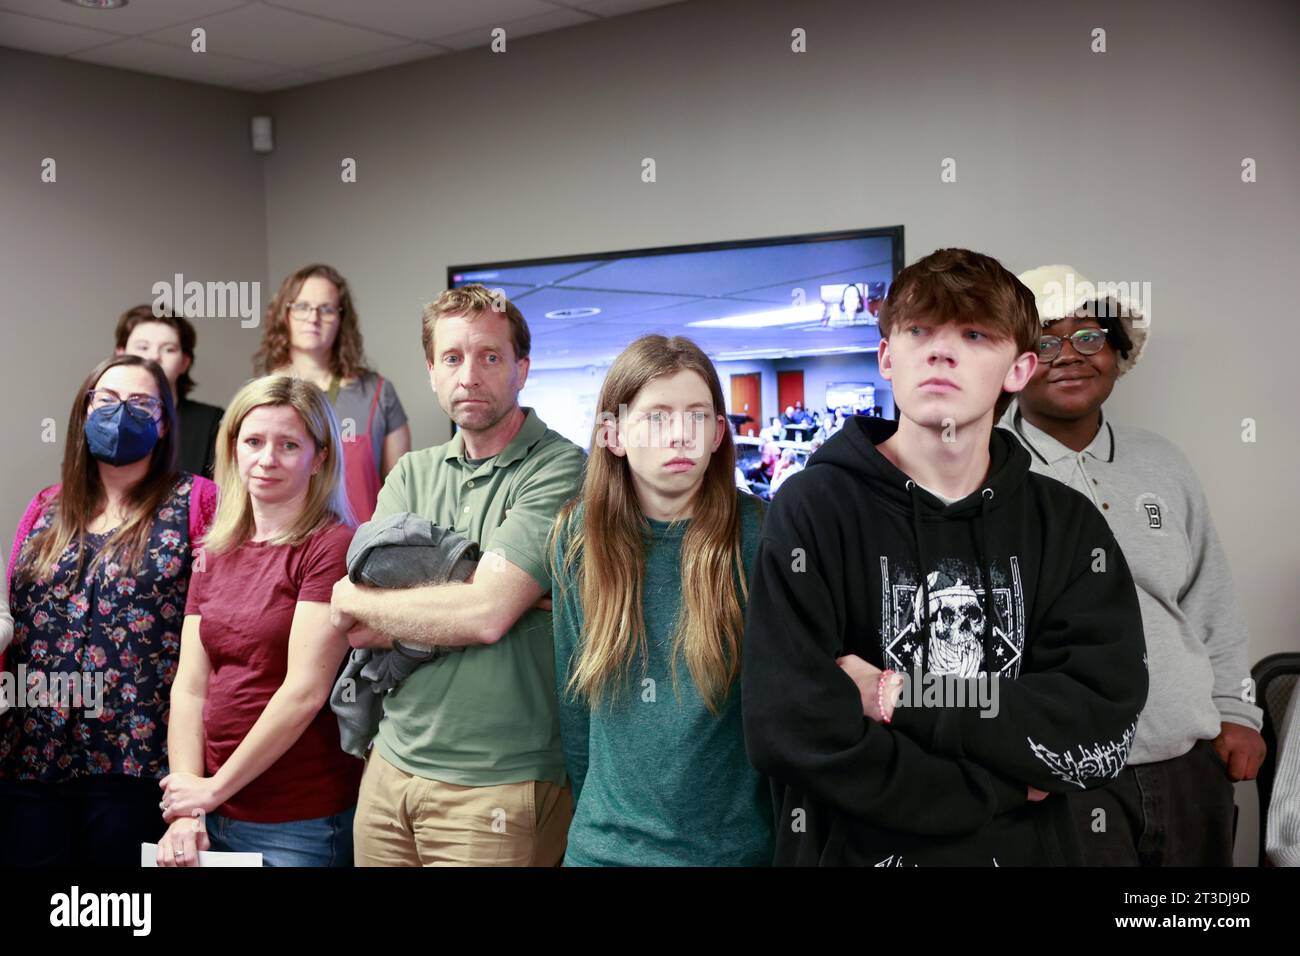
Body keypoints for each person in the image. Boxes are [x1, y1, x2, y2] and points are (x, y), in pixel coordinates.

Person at [742, 248, 1148, 866]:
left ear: (1019, 368)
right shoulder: (813, 508)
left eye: (975, 333)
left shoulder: (1066, 525)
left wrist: (898, 695)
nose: (940, 350)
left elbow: (1096, 725)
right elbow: (789, 727)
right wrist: (999, 785)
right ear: (887, 357)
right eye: (918, 330)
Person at [1002, 264, 1264, 866]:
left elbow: (1210, 599)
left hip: (1186, 759)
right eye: (1043, 342)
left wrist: (1236, 711)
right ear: (1013, 366)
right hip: (1055, 771)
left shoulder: (1162, 462)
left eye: (1088, 337)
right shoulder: (985, 473)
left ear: (1117, 354)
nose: (1067, 356)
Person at [329, 284, 585, 866]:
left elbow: (488, 616)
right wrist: (478, 595)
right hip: (389, 765)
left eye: (490, 357)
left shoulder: (561, 468)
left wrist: (377, 600)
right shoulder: (410, 474)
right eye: (452, 357)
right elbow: (356, 627)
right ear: (431, 372)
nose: (469, 374)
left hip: (500, 784)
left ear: (523, 368)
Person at [551, 335, 773, 866]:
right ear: (614, 434)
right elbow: (574, 707)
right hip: (603, 850)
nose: (680, 435)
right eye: (656, 417)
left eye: (698, 416)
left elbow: (782, 711)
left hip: (730, 852)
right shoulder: (577, 537)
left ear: (720, 433)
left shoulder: (762, 535)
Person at [0, 355, 216, 866]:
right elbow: (10, 616)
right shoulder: (45, 507)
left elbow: (221, 625)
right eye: (108, 400)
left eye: (142, 403)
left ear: (164, 421)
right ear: (84, 412)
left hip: (135, 760)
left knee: (117, 914)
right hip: (30, 754)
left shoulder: (197, 501)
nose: (123, 413)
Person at [156, 375, 361, 867]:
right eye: (253, 441)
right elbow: (189, 687)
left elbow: (304, 692)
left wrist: (210, 790)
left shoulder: (331, 547)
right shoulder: (214, 549)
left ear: (321, 459)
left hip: (297, 822)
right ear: (233, 449)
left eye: (289, 444)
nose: (267, 458)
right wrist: (188, 810)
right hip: (210, 812)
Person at [255, 264, 411, 523]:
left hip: (363, 554)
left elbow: (403, 496)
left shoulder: (378, 392)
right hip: (288, 554)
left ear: (341, 319)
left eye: (326, 309)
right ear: (285, 314)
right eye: (302, 306)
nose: (313, 317)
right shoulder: (261, 396)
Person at [115, 305, 224, 478]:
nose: (154, 357)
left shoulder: (212, 422)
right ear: (121, 355)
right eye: (142, 347)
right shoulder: (103, 415)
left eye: (169, 349)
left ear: (185, 363)